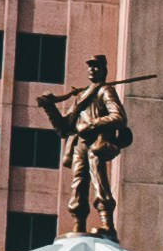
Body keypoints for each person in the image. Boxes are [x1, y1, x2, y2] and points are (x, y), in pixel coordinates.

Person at [46, 53, 134, 238]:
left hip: (96, 142)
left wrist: (92, 124)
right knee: (78, 183)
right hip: (80, 144)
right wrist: (50, 107)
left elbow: (119, 116)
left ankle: (107, 224)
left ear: (103, 70)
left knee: (99, 180)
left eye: (96, 66)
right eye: (90, 66)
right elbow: (64, 128)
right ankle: (78, 223)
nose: (92, 69)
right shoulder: (81, 97)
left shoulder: (105, 91)